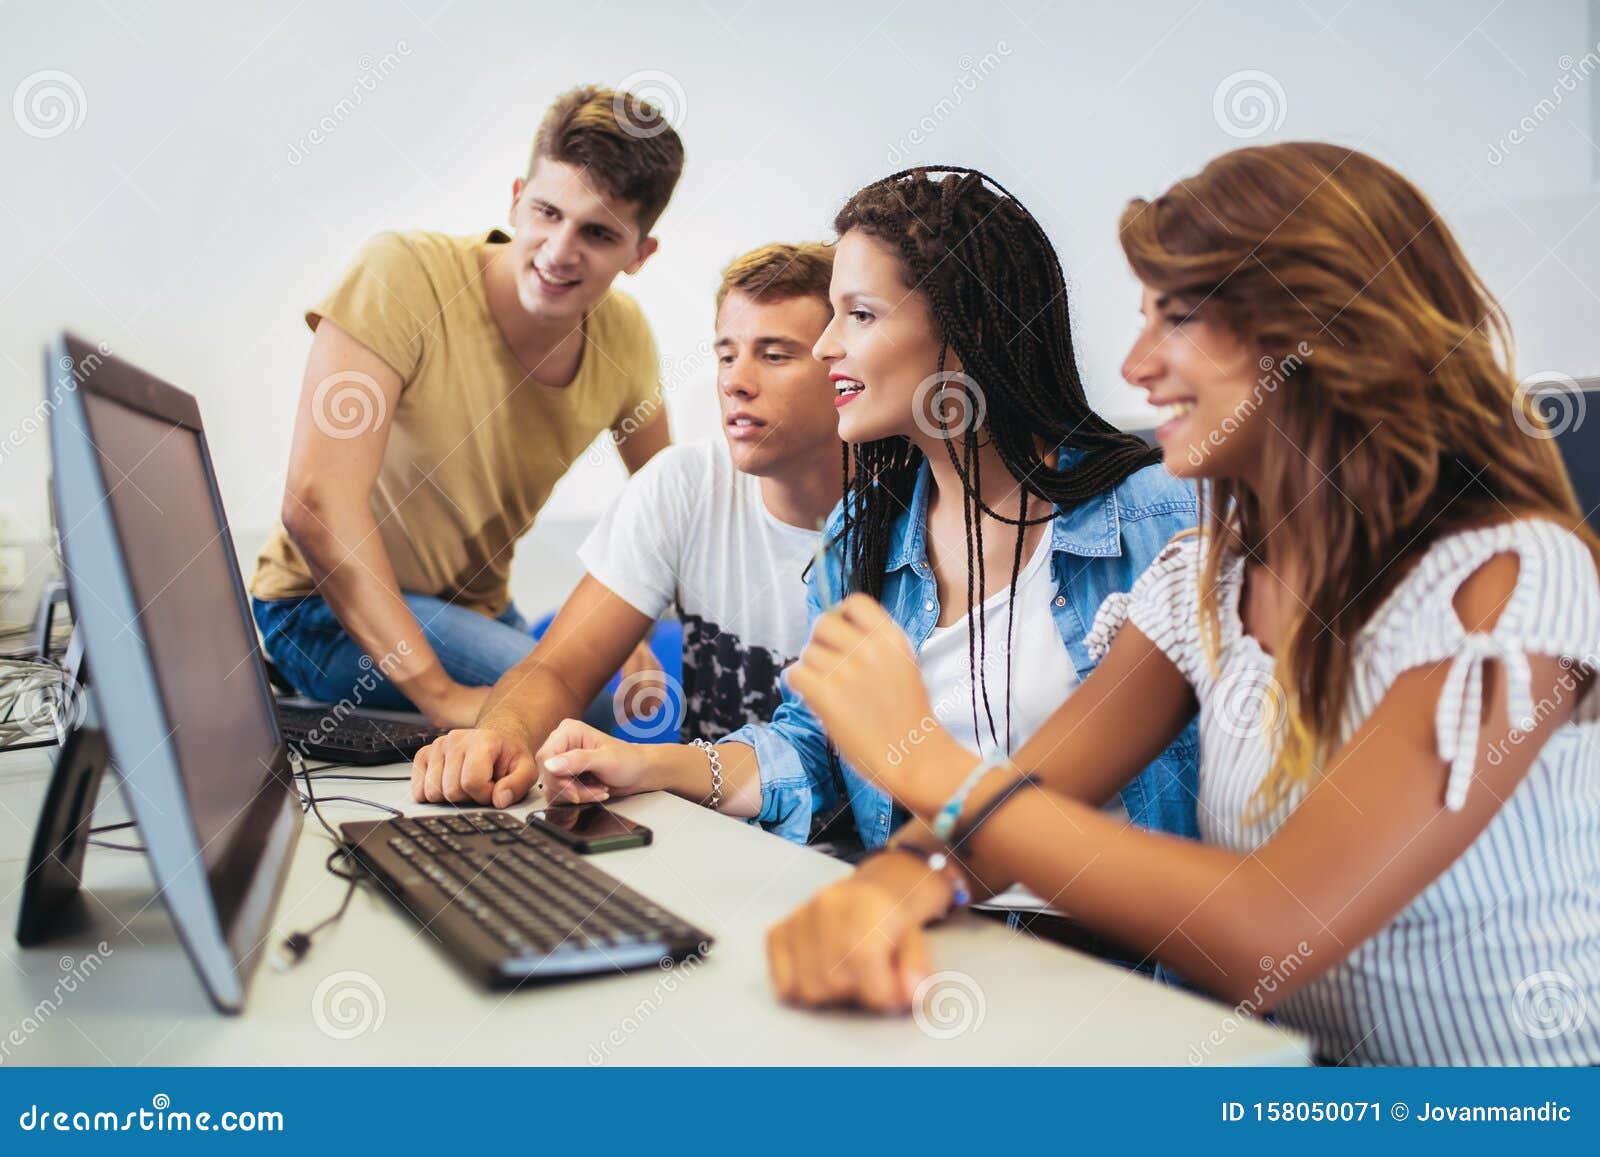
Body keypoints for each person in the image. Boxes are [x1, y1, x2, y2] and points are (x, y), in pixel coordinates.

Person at [767, 142, 1600, 1068]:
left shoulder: (1516, 577)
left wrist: (924, 758)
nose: (1136, 363)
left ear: (1316, 336)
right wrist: (892, 878)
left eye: (1180, 318)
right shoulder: (1200, 577)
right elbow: (1030, 798)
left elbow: (1273, 927)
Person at [531, 168, 1200, 858]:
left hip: (1109, 954)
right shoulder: (862, 532)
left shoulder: (1161, 520)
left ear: (966, 328)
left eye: (860, 314)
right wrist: (647, 765)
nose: (827, 347)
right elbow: (815, 750)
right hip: (935, 923)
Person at [250, 84, 684, 728]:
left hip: (474, 611)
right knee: (582, 712)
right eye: (546, 213)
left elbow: (665, 506)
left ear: (640, 254)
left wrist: (630, 631)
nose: (560, 250)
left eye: (597, 233)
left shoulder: (624, 337)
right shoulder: (401, 272)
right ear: (515, 198)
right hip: (321, 611)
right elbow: (315, 501)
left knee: (639, 696)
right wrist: (442, 697)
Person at [409, 243, 843, 808]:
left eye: (776, 355)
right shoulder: (683, 484)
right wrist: (501, 736)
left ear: (844, 366)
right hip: (706, 833)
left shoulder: (910, 524)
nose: (736, 382)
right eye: (726, 355)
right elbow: (557, 669)